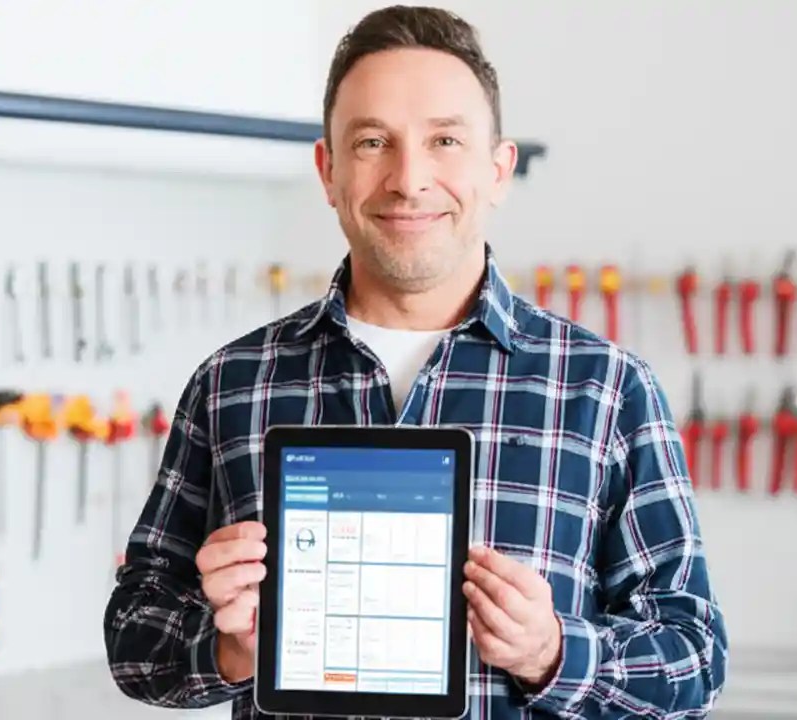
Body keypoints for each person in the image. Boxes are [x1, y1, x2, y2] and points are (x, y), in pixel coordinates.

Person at [103, 5, 728, 718]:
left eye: (445, 141)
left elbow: (695, 656)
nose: (409, 178)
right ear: (328, 169)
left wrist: (552, 651)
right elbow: (133, 636)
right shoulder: (232, 385)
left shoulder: (607, 390)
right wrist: (226, 649)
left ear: (498, 171)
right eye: (373, 142)